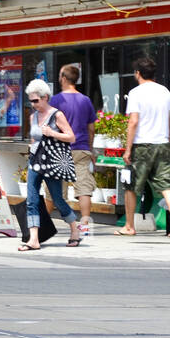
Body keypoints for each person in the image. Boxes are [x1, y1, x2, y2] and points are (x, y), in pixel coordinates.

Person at [117, 57, 170, 237]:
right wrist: (166, 141)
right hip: (161, 143)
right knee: (166, 184)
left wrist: (128, 149)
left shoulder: (136, 93)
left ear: (138, 73)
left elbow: (133, 122)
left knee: (130, 186)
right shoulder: (165, 92)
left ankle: (129, 226)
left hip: (142, 145)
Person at [20, 78, 82, 252]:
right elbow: (34, 138)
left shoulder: (57, 115)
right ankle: (33, 239)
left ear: (45, 97)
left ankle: (74, 231)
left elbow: (71, 137)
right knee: (31, 200)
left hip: (52, 163)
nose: (33, 104)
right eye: (30, 101)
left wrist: (52, 133)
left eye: (35, 100)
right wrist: (31, 146)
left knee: (57, 199)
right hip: (35, 161)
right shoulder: (33, 117)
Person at [50, 63, 98, 234]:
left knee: (54, 189)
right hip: (81, 148)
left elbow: (50, 125)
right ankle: (84, 225)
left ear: (63, 78)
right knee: (84, 188)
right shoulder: (85, 100)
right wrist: (90, 148)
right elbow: (91, 128)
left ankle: (45, 224)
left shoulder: (55, 100)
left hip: (60, 150)